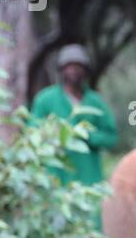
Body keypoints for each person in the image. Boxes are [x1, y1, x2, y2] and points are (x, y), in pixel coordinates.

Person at [29, 43, 119, 186]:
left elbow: (111, 137)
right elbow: (32, 133)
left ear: (85, 70)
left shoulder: (95, 102)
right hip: (56, 182)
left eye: (78, 66)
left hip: (89, 181)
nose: (74, 71)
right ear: (62, 69)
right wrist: (55, 134)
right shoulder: (45, 99)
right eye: (69, 66)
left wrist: (87, 136)